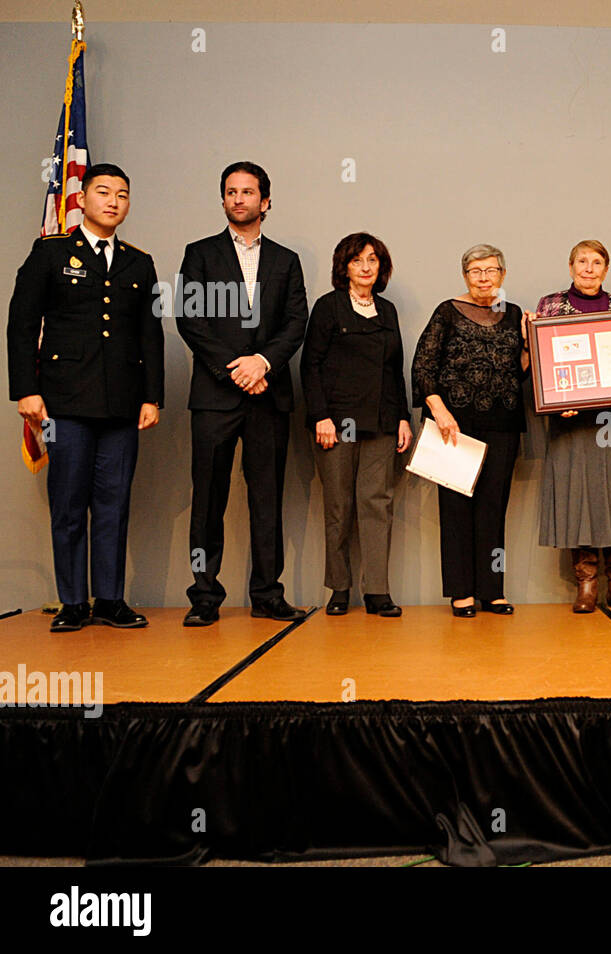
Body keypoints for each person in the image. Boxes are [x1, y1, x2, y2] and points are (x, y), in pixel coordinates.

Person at [6, 163, 163, 631]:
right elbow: (21, 324)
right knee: (69, 503)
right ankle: (73, 602)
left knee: (114, 504)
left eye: (122, 194)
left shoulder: (139, 262)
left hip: (122, 404)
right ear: (82, 198)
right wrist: (26, 389)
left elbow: (150, 334)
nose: (113, 201)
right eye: (104, 192)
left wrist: (152, 396)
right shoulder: (51, 252)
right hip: (63, 403)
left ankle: (110, 600)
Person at [176, 161, 309, 626]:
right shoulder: (200, 254)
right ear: (223, 200)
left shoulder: (286, 260)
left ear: (265, 201)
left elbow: (296, 322)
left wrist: (263, 363)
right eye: (231, 191)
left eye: (248, 192)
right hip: (215, 396)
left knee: (267, 500)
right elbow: (190, 318)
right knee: (207, 500)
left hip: (268, 395)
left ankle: (268, 595)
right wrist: (237, 368)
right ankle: (203, 597)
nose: (238, 198)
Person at [535, 240, 611, 613]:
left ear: (606, 269)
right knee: (578, 498)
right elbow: (541, 362)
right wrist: (556, 401)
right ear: (571, 266)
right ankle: (585, 584)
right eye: (582, 261)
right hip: (571, 425)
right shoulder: (549, 306)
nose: (589, 268)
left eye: (597, 262)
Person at [301, 233, 412, 617]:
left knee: (377, 505)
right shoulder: (328, 307)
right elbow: (310, 366)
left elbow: (394, 370)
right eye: (357, 260)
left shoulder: (388, 311)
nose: (365, 267)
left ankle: (377, 591)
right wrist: (320, 416)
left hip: (381, 422)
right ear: (344, 267)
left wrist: (402, 417)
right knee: (338, 507)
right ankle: (339, 588)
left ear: (381, 267)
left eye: (372, 260)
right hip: (337, 423)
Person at [412, 243, 526, 618]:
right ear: (465, 276)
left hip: (503, 424)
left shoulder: (513, 314)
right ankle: (461, 592)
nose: (483, 278)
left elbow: (520, 370)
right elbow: (423, 366)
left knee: (494, 510)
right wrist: (439, 412)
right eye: (475, 271)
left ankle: (493, 591)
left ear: (502, 275)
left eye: (491, 270)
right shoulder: (447, 311)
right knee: (456, 509)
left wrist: (530, 342)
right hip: (455, 424)